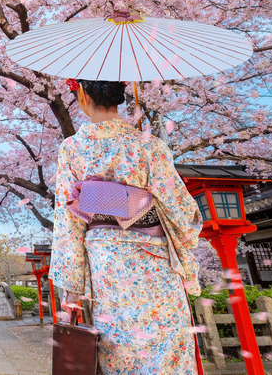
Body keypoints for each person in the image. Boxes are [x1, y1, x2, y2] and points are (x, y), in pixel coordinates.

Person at [49, 79, 203, 375]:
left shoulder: (72, 148)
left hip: (108, 265)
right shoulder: (151, 146)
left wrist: (72, 286)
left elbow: (68, 221)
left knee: (120, 347)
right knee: (165, 347)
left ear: (81, 94)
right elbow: (182, 211)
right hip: (156, 264)